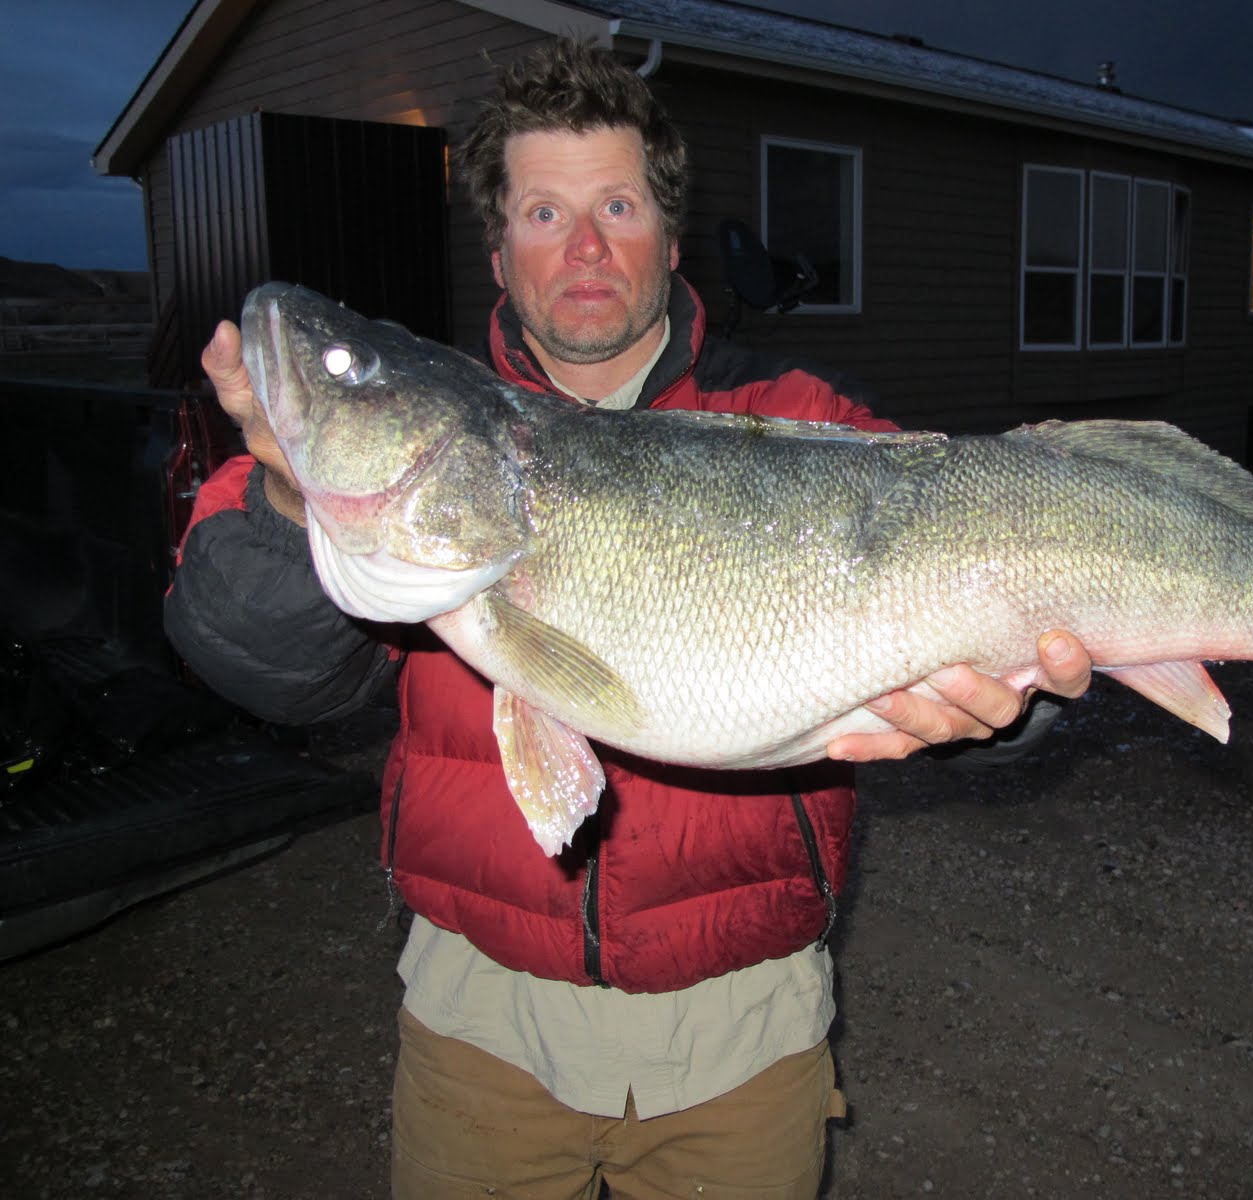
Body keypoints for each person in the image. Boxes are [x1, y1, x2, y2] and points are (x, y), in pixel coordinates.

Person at [166, 37, 1093, 1200]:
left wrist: (1014, 712)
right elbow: (263, 665)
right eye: (544, 212)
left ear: (669, 231)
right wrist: (292, 482)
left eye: (617, 203)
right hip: (477, 1031)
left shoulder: (801, 423)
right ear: (498, 252)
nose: (586, 244)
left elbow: (995, 597)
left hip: (743, 1038)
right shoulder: (410, 444)